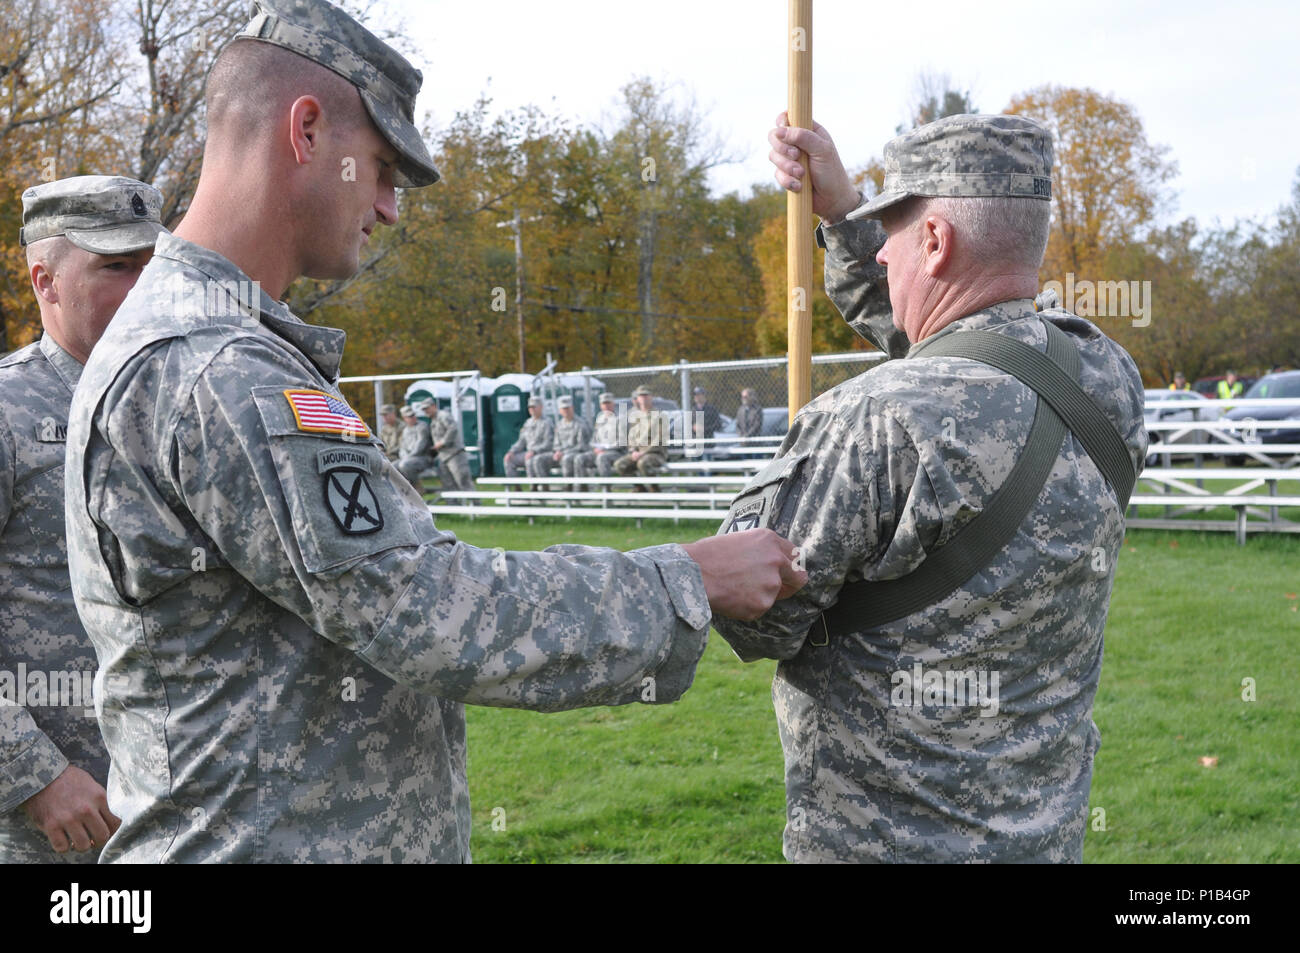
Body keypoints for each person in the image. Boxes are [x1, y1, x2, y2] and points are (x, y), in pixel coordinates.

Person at [62, 0, 804, 864]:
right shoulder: (216, 368)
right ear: (305, 131)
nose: (387, 208)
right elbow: (434, 611)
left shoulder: (220, 346)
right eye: (380, 169)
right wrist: (683, 581)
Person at [714, 111, 1147, 863]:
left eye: (892, 233)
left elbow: (756, 619)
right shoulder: (1107, 378)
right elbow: (969, 347)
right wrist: (843, 216)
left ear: (938, 242)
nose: (880, 253)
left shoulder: (871, 419)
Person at [1, 175, 163, 862]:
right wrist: (31, 773)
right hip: (61, 823)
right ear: (46, 280)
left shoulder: (178, 402)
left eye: (153, 266)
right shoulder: (10, 413)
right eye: (116, 266)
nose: (145, 288)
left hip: (187, 802)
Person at [613, 385, 670, 490]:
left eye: (646, 395)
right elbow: (632, 439)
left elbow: (660, 439)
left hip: (656, 453)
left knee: (643, 463)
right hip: (638, 453)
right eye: (641, 396)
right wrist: (633, 451)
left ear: (651, 397)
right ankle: (640, 488)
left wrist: (643, 453)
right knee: (619, 465)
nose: (643, 398)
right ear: (637, 399)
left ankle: (655, 488)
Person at [425, 399, 473, 494]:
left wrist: (442, 442)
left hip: (455, 455)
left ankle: (476, 507)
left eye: (427, 408)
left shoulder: (443, 415)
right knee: (449, 486)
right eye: (424, 410)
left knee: (464, 483)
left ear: (434, 406)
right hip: (443, 456)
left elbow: (453, 429)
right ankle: (454, 507)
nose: (426, 411)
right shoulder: (433, 420)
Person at [539, 395, 591, 482]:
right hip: (561, 454)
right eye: (563, 409)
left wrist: (562, 453)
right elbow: (556, 444)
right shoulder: (559, 425)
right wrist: (558, 452)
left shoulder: (580, 424)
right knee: (539, 459)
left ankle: (571, 488)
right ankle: (542, 488)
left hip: (576, 453)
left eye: (568, 408)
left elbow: (581, 446)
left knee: (567, 459)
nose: (566, 410)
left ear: (572, 408)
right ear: (560, 411)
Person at [503, 396, 553, 479]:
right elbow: (521, 441)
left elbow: (548, 443)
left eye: (534, 407)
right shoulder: (528, 423)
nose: (531, 409)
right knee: (509, 459)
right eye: (530, 407)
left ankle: (535, 487)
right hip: (528, 453)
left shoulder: (547, 422)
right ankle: (516, 488)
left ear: (541, 407)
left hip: (542, 453)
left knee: (531, 460)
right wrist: (511, 451)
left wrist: (534, 451)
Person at [574, 392, 621, 480]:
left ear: (613, 403)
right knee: (579, 458)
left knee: (602, 458)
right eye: (604, 403)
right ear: (600, 405)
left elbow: (621, 443)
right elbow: (593, 440)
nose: (606, 406)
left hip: (616, 453)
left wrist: (605, 449)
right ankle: (582, 489)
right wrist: (595, 448)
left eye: (608, 403)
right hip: (599, 452)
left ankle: (606, 489)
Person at [395, 403, 435, 488]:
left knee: (404, 465)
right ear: (404, 418)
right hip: (408, 458)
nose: (413, 417)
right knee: (393, 466)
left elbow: (420, 445)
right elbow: (402, 447)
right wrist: (404, 456)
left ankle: (416, 487)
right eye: (410, 416)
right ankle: (402, 489)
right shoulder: (405, 430)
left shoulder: (422, 426)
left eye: (413, 415)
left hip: (423, 458)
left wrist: (408, 457)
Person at [690, 386, 722, 457]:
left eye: (698, 394)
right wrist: (693, 427)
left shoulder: (711, 409)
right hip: (695, 443)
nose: (696, 396)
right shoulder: (692, 409)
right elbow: (688, 425)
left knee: (708, 465)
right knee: (696, 466)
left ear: (703, 395)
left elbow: (718, 425)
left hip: (708, 443)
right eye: (695, 395)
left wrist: (705, 429)